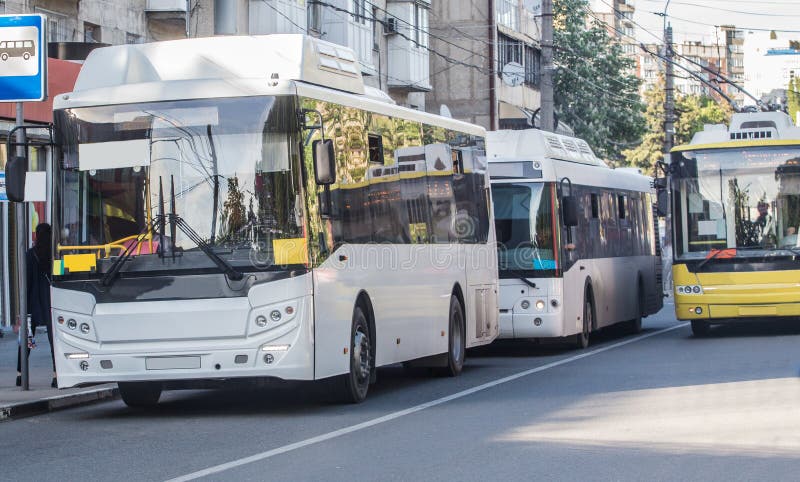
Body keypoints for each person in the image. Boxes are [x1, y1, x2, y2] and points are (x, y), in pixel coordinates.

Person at [15, 223, 56, 388]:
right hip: (50, 302)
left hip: (32, 303)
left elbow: (25, 283)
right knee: (54, 340)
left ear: (37, 236)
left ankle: (20, 374)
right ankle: (56, 375)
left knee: (27, 339)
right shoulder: (53, 255)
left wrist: (21, 309)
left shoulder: (29, 255)